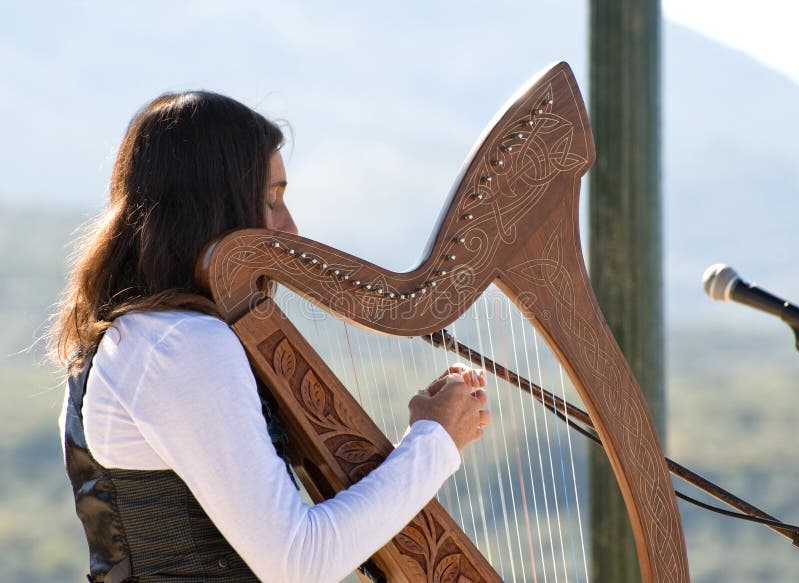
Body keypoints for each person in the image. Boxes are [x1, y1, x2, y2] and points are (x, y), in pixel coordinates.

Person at [48, 91, 492, 583]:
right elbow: (298, 561)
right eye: (270, 200)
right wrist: (435, 440)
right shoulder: (183, 346)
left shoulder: (130, 338)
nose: (290, 227)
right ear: (213, 209)